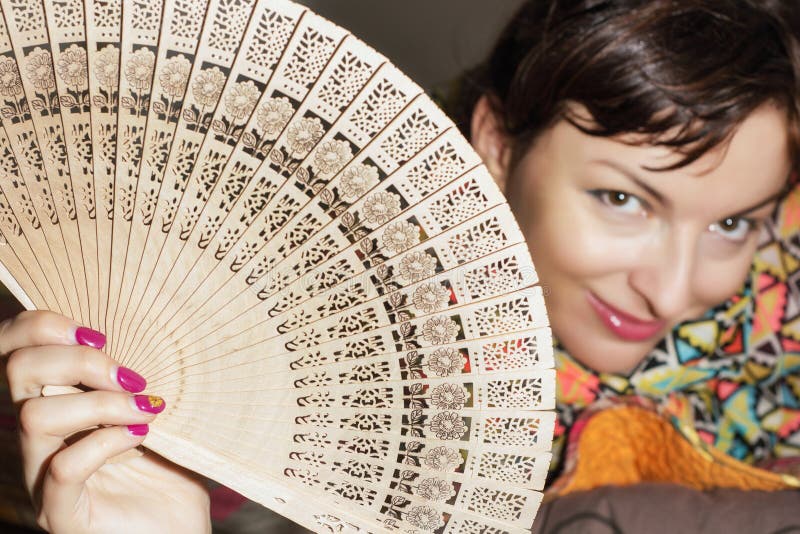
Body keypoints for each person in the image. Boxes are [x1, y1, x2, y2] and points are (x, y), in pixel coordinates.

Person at [2, 0, 799, 532]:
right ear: (495, 145)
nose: (670, 288)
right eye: (623, 201)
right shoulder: (301, 376)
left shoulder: (780, 333)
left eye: (732, 222)